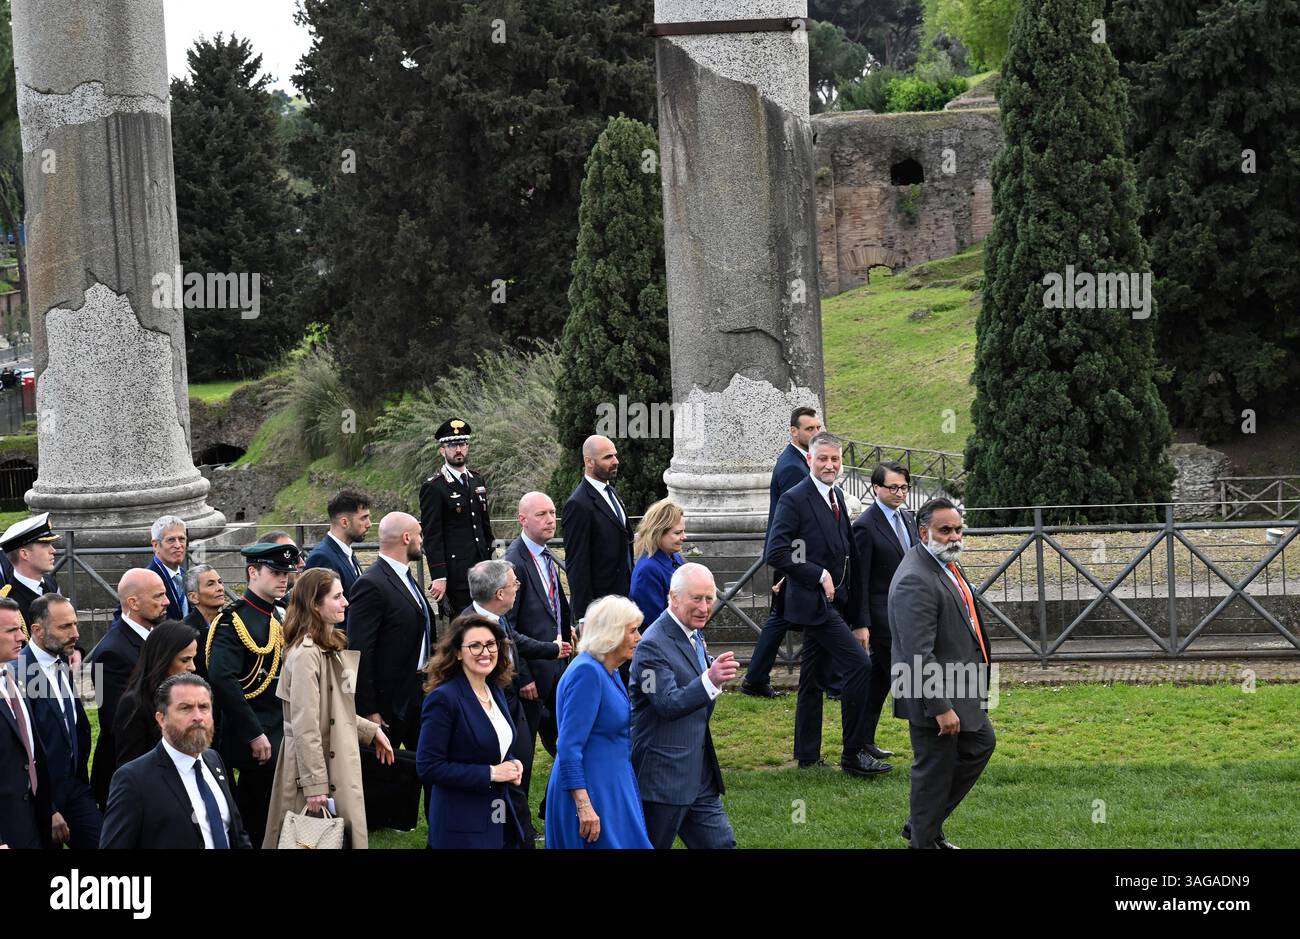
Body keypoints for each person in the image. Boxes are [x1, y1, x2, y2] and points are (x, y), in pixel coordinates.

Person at [766, 431, 890, 778]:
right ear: (809, 460)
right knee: (859, 666)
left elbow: (847, 554)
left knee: (812, 678)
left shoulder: (835, 495)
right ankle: (853, 754)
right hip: (811, 604)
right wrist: (815, 572)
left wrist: (858, 613)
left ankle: (807, 756)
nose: (829, 465)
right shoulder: (795, 499)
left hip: (836, 604)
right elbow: (775, 551)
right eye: (822, 459)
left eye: (835, 460)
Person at [889, 498, 994, 849]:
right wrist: (940, 706)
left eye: (958, 529)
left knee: (979, 744)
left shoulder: (943, 561)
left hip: (962, 683)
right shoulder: (915, 579)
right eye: (945, 530)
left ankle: (924, 826)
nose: (954, 537)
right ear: (924, 532)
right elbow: (918, 652)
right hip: (934, 693)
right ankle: (922, 838)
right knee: (933, 772)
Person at [264, 568, 395, 849]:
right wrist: (313, 785)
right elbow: (305, 725)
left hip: (332, 762)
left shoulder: (327, 647)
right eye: (337, 597)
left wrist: (371, 731)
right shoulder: (305, 655)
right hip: (313, 770)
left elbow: (333, 710)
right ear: (315, 604)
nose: (345, 602)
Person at [630, 564, 738, 849]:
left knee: (721, 844)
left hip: (699, 773)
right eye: (697, 599)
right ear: (673, 598)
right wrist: (710, 680)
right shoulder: (651, 645)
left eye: (709, 598)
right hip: (662, 777)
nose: (705, 608)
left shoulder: (694, 633)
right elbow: (665, 703)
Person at [463, 558, 569, 842]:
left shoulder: (498, 617)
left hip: (513, 708)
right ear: (499, 593)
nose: (517, 588)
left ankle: (519, 831)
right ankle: (515, 833)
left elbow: (515, 643)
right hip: (490, 714)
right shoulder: (468, 630)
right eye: (514, 584)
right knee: (506, 776)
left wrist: (552, 649)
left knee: (519, 770)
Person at [206, 541, 299, 848]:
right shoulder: (233, 620)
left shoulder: (276, 617)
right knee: (256, 817)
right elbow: (223, 679)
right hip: (254, 734)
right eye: (275, 572)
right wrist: (253, 733)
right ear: (253, 572)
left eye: (285, 572)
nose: (283, 579)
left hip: (279, 727)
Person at [346, 512, 431, 830]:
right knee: (385, 765)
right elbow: (360, 651)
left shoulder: (406, 577)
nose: (423, 540)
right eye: (419, 534)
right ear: (406, 538)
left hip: (418, 693)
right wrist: (369, 709)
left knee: (431, 758)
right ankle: (380, 823)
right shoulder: (372, 584)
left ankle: (433, 818)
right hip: (388, 700)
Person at [544, 595, 651, 849]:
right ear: (612, 633)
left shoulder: (607, 669)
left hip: (612, 785)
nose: (640, 638)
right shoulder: (587, 673)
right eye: (633, 631)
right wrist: (583, 805)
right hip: (591, 792)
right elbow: (569, 746)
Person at [100, 674, 252, 849]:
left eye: (204, 707)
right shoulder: (134, 779)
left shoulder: (213, 760)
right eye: (185, 708)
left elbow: (236, 833)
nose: (198, 717)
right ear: (161, 719)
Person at [416, 614, 526, 849]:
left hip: (498, 816)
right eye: (474, 645)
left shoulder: (494, 689)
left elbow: (493, 745)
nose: (485, 652)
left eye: (490, 644)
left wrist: (511, 762)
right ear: (457, 652)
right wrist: (491, 773)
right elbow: (428, 767)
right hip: (461, 826)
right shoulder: (444, 699)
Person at [742, 406, 821, 698]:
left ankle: (756, 678)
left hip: (795, 555)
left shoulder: (799, 462)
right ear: (793, 432)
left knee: (787, 616)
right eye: (809, 429)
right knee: (784, 617)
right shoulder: (792, 467)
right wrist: (796, 565)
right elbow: (796, 519)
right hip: (794, 556)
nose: (815, 433)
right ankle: (755, 679)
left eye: (817, 428)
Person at [16, 594, 99, 849]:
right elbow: (22, 751)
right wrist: (47, 809)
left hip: (75, 788)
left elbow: (72, 722)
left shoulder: (60, 658)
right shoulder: (17, 673)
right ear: (37, 630)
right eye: (65, 626)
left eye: (74, 624)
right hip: (40, 800)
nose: (75, 633)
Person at [850, 460, 918, 764]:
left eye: (904, 487)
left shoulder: (907, 517)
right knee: (909, 679)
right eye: (893, 487)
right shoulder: (866, 524)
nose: (899, 492)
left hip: (907, 614)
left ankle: (864, 741)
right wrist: (861, 623)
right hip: (882, 619)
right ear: (876, 488)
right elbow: (860, 580)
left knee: (880, 684)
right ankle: (926, 742)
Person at [87, 568, 170, 809]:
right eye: (158, 596)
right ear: (133, 603)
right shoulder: (111, 652)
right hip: (131, 771)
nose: (166, 602)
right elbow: (116, 721)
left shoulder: (156, 636)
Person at [503, 491, 571, 758]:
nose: (550, 520)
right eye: (541, 514)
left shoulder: (545, 555)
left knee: (567, 744)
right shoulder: (514, 562)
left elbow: (554, 606)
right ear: (523, 520)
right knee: (524, 753)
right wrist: (523, 676)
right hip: (532, 677)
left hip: (558, 667)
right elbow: (506, 626)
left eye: (553, 513)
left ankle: (560, 800)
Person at [419, 418, 494, 616]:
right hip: (457, 574)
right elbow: (432, 535)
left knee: (488, 620)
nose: (458, 449)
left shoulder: (477, 480)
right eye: (452, 445)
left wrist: (493, 559)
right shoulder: (435, 487)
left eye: (461, 444)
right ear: (442, 450)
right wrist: (439, 575)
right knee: (463, 625)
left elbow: (484, 526)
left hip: (482, 568)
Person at [561, 435, 634, 632]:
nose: (616, 461)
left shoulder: (611, 493)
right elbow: (577, 563)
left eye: (615, 455)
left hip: (622, 601)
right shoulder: (578, 504)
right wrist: (584, 616)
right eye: (608, 457)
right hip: (601, 610)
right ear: (589, 461)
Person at [0, 598, 53, 848]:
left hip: (32, 818)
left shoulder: (14, 675)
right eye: (12, 630)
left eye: (21, 629)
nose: (22, 637)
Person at [111, 620, 199, 768]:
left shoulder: (185, 694)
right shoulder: (135, 704)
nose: (192, 667)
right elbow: (130, 767)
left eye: (193, 659)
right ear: (163, 659)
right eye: (185, 660)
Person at [0, 512, 62, 637]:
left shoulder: (50, 583)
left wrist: (75, 650)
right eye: (45, 545)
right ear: (25, 554)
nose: (53, 550)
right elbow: (17, 653)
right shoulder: (9, 602)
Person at [304, 490, 373, 598]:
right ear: (344, 522)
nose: (369, 524)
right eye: (364, 518)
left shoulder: (347, 553)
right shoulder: (322, 558)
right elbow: (316, 608)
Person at [628, 498, 686, 626]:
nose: (684, 537)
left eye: (683, 531)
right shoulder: (647, 570)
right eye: (677, 533)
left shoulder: (675, 557)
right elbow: (654, 622)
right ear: (658, 533)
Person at [183, 563, 226, 677]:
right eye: (210, 584)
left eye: (220, 582)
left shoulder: (230, 623)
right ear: (193, 597)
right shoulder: (185, 631)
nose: (220, 588)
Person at [147, 515, 190, 621]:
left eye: (182, 539)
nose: (178, 545)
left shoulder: (186, 577)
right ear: (156, 545)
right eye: (171, 540)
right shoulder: (145, 581)